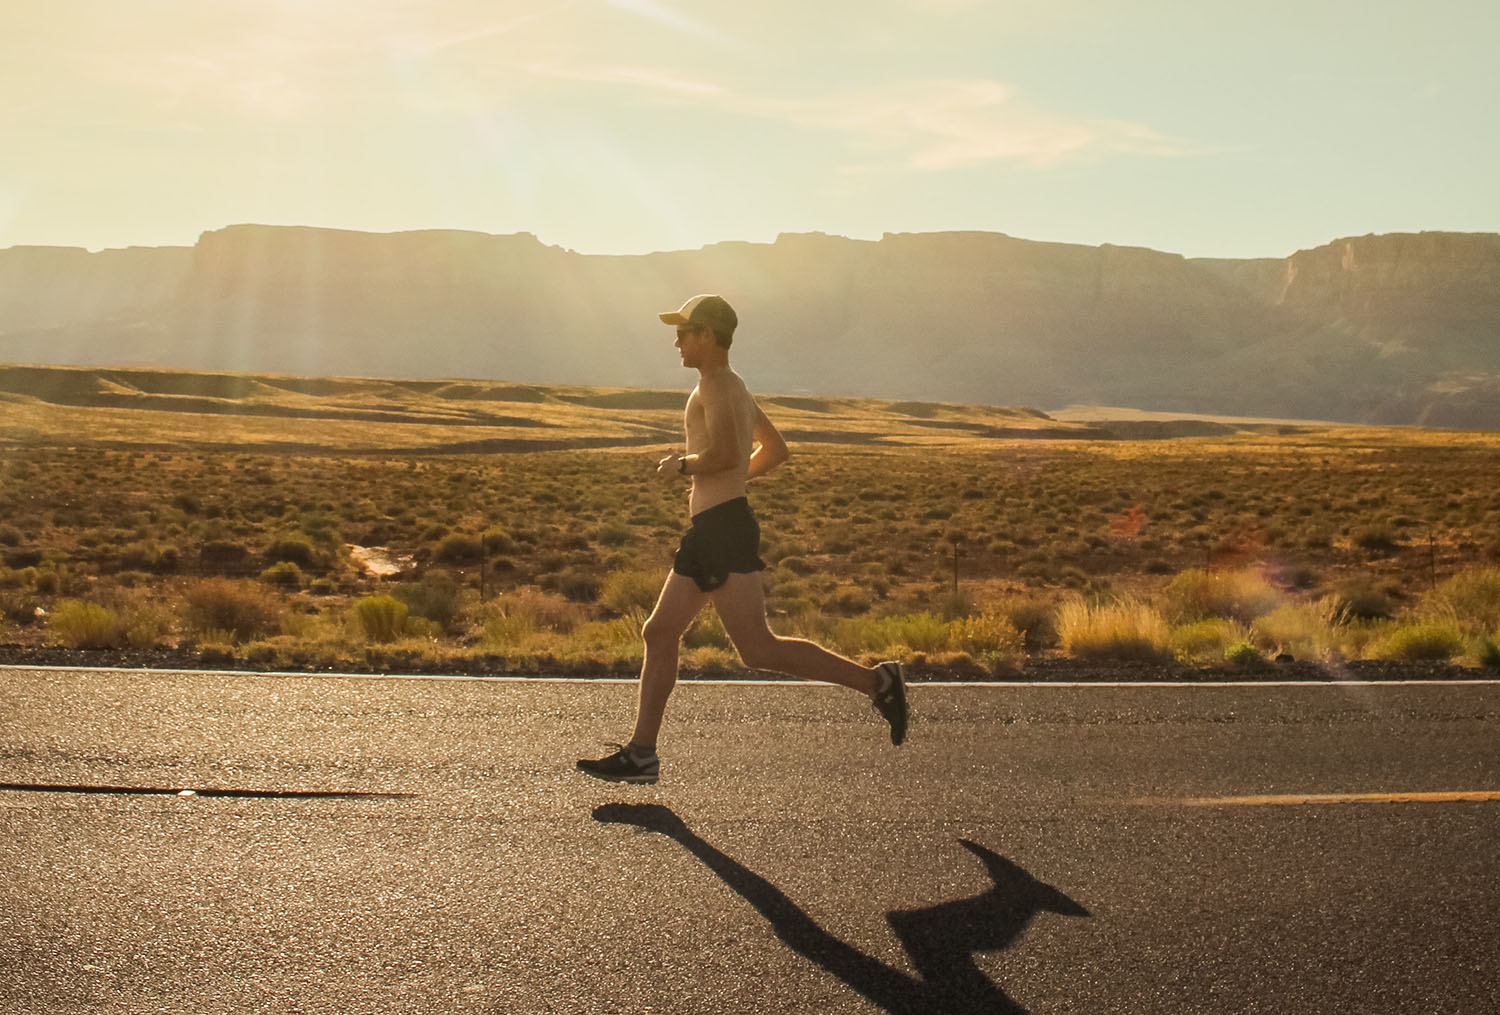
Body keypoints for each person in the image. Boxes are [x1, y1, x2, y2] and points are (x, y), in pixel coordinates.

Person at [577, 294, 908, 785]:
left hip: (724, 529)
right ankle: (642, 753)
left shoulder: (717, 386)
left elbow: (730, 452)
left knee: (757, 649)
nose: (676, 341)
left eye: (684, 332)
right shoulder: (733, 386)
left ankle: (878, 682)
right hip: (714, 526)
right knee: (660, 632)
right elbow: (774, 450)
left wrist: (684, 466)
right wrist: (730, 485)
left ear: (707, 335)